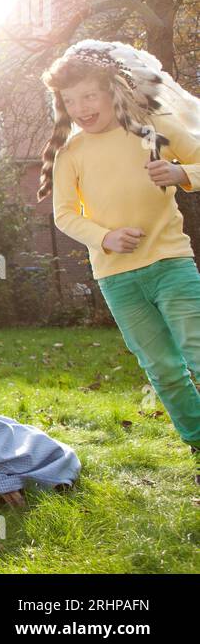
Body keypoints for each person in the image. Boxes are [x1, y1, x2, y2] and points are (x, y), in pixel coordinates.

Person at [39, 40, 200, 485]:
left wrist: (182, 173)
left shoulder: (153, 127)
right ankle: (197, 440)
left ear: (111, 90)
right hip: (116, 277)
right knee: (164, 369)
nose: (81, 108)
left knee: (197, 352)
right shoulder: (70, 153)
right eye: (70, 101)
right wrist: (105, 237)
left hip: (171, 261)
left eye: (88, 95)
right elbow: (65, 215)